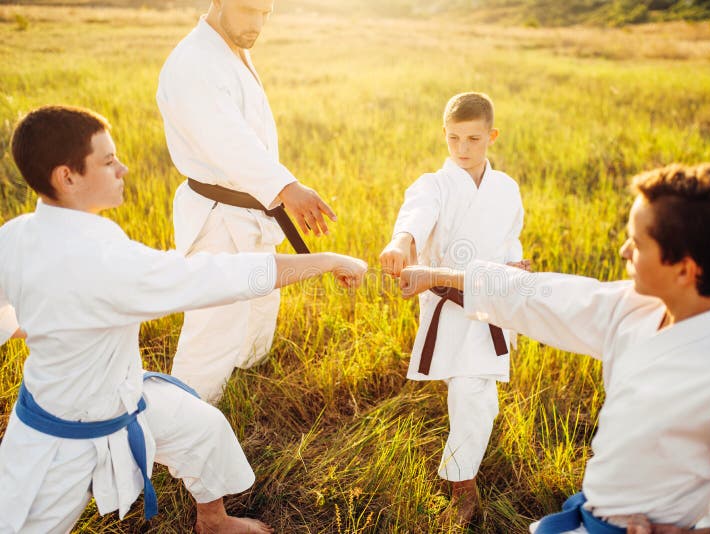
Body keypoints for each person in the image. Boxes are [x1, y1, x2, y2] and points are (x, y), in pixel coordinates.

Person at [0, 105, 367, 533]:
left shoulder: (17, 233)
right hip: (59, 437)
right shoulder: (106, 260)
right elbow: (214, 277)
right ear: (67, 177)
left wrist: (22, 327)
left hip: (124, 396)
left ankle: (214, 521)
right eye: (107, 161)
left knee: (203, 429)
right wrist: (325, 261)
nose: (123, 168)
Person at [399, 163, 710, 533]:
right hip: (590, 514)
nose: (625, 250)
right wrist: (437, 274)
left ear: (685, 269)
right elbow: (540, 295)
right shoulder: (636, 309)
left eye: (638, 244)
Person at [156, 0, 337, 402]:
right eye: (247, 10)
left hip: (251, 206)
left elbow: (249, 132)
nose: (257, 24)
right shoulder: (195, 63)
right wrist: (287, 188)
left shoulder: (233, 51)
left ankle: (246, 385)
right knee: (214, 326)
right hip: (219, 216)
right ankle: (182, 422)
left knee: (258, 304)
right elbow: (228, 141)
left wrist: (278, 188)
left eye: (265, 14)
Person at [380, 92, 527, 525]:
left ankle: (463, 487)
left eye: (474, 139)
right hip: (447, 301)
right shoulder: (434, 184)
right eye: (454, 138)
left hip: (494, 298)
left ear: (492, 136)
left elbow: (511, 237)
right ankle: (471, 450)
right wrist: (400, 242)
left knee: (472, 391)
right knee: (469, 388)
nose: (462, 149)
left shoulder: (506, 188)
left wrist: (515, 262)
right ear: (444, 135)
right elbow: (416, 215)